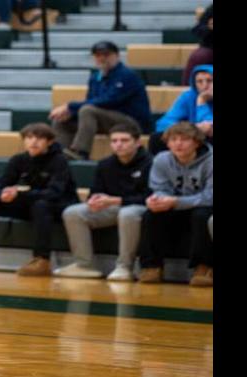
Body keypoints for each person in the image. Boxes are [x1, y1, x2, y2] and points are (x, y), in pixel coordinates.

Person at [0, 123, 76, 277]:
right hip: (32, 204)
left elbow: (55, 192)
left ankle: (42, 260)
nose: (33, 142)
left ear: (50, 142)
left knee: (41, 205)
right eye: (29, 138)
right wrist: (1, 194)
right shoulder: (18, 160)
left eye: (39, 138)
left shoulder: (59, 161)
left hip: (59, 205)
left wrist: (20, 195)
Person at [57, 125, 150, 280]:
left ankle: (124, 267)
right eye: (114, 141)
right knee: (73, 212)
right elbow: (95, 191)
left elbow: (149, 197)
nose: (118, 144)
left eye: (124, 140)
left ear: (138, 142)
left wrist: (116, 200)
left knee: (127, 213)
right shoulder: (105, 164)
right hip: (112, 207)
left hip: (141, 208)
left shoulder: (150, 162)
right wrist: (94, 200)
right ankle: (83, 265)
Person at [47, 40, 150, 161]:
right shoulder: (95, 77)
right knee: (62, 119)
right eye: (98, 55)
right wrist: (69, 111)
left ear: (117, 56)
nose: (102, 58)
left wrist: (70, 106)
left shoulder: (127, 75)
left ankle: (80, 152)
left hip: (131, 122)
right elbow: (92, 100)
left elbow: (110, 100)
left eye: (106, 55)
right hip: (105, 120)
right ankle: (60, 156)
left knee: (87, 110)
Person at [139, 122, 213, 286]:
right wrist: (157, 199)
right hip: (174, 204)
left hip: (204, 206)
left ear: (196, 142)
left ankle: (203, 267)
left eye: (185, 139)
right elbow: (158, 188)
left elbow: (210, 197)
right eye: (173, 139)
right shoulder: (161, 159)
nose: (178, 144)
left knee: (202, 216)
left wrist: (176, 202)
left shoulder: (211, 161)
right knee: (151, 214)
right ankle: (152, 266)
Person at [149, 64, 210, 155]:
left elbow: (208, 126)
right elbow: (163, 123)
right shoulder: (188, 96)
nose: (205, 85)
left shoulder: (200, 98)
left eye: (209, 81)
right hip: (191, 134)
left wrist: (201, 103)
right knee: (157, 137)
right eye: (199, 82)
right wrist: (188, 129)